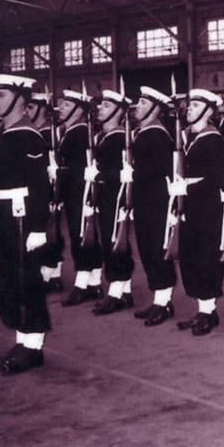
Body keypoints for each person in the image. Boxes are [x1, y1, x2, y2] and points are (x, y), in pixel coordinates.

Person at [0, 75, 51, 375]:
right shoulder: (4, 132)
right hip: (2, 212)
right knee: (8, 280)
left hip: (21, 214)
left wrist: (38, 227)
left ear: (20, 99)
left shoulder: (29, 136)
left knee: (27, 282)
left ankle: (34, 348)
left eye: (1, 93)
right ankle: (21, 342)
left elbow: (40, 185)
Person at [170, 89, 224, 336]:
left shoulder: (213, 139)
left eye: (194, 106)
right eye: (189, 105)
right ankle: (202, 309)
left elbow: (218, 178)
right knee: (191, 257)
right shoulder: (189, 137)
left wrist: (188, 186)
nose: (188, 109)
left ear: (207, 111)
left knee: (206, 259)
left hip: (207, 208)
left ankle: (209, 312)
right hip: (190, 206)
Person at [130, 86, 179, 327]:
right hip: (143, 198)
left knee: (158, 251)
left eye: (142, 102)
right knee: (147, 249)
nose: (137, 106)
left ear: (155, 108)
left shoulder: (157, 134)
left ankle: (164, 302)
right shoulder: (143, 132)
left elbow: (161, 168)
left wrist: (134, 173)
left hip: (156, 200)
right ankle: (157, 298)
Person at [91, 89, 135, 315]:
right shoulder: (104, 136)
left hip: (115, 197)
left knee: (114, 243)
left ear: (118, 112)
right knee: (114, 243)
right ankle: (124, 291)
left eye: (106, 106)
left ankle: (115, 293)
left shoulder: (119, 137)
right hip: (105, 196)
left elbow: (121, 173)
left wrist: (98, 176)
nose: (100, 109)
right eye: (101, 105)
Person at [58, 89, 103, 306]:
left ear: (79, 110)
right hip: (73, 189)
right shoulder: (73, 130)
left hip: (80, 190)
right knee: (84, 235)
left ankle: (82, 284)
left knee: (81, 236)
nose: (61, 108)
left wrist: (59, 172)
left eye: (66, 105)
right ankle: (94, 282)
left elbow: (77, 166)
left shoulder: (80, 131)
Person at [25, 92, 65, 293]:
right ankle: (50, 273)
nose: (27, 111)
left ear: (43, 109)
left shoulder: (50, 132)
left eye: (31, 108)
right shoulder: (36, 131)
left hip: (50, 189)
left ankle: (52, 274)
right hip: (38, 188)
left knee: (51, 231)